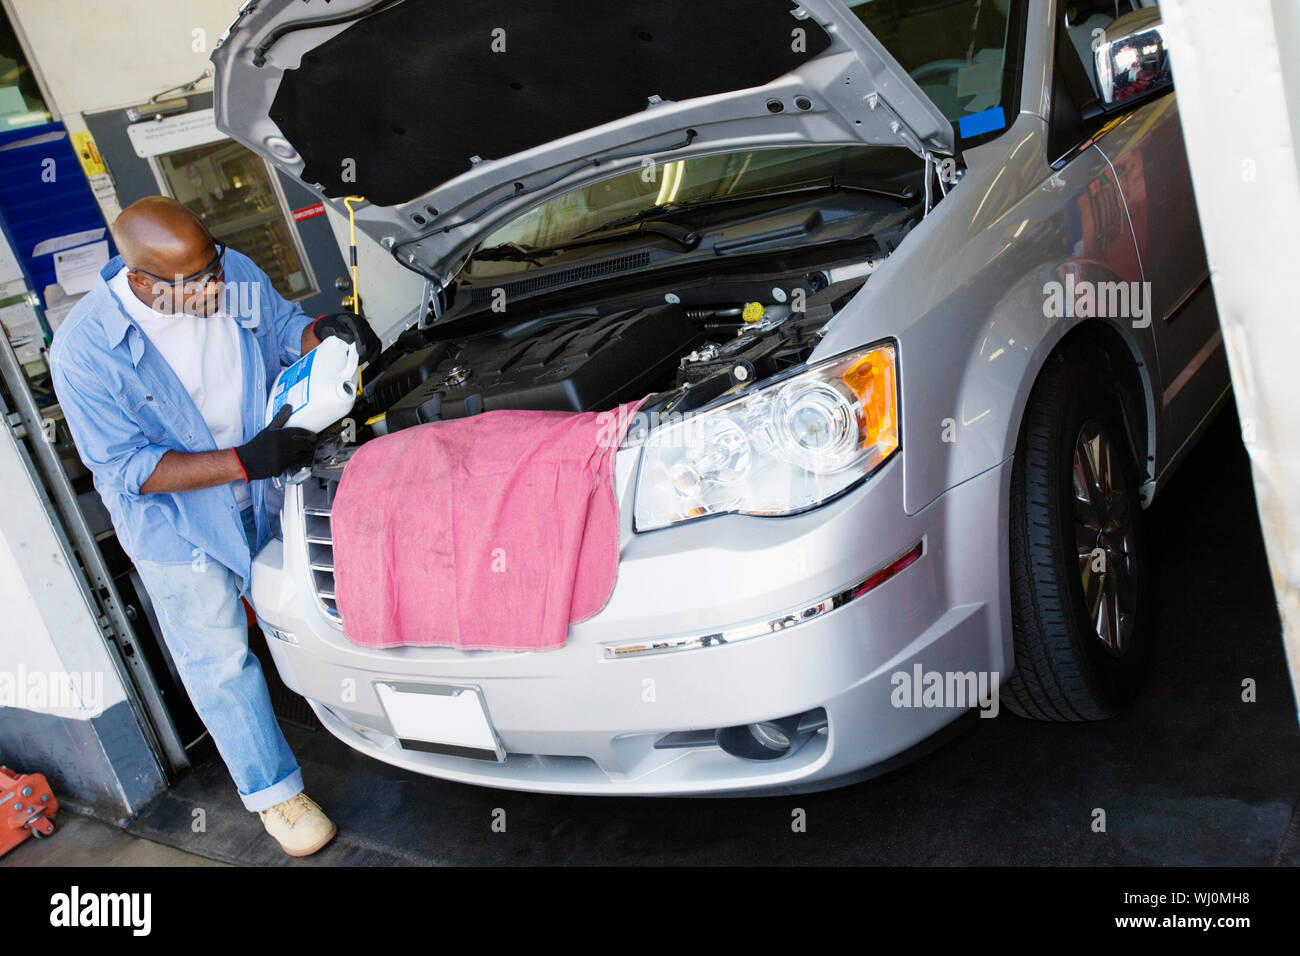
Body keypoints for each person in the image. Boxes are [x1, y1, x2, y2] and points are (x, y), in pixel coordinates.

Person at [47, 196, 378, 857]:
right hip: (178, 525)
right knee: (220, 662)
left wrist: (328, 332)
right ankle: (276, 797)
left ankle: (379, 724)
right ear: (141, 280)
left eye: (215, 268)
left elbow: (285, 331)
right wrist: (240, 461)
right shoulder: (85, 353)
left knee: (322, 602)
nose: (214, 288)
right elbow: (128, 470)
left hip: (268, 485)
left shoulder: (228, 273)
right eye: (195, 283)